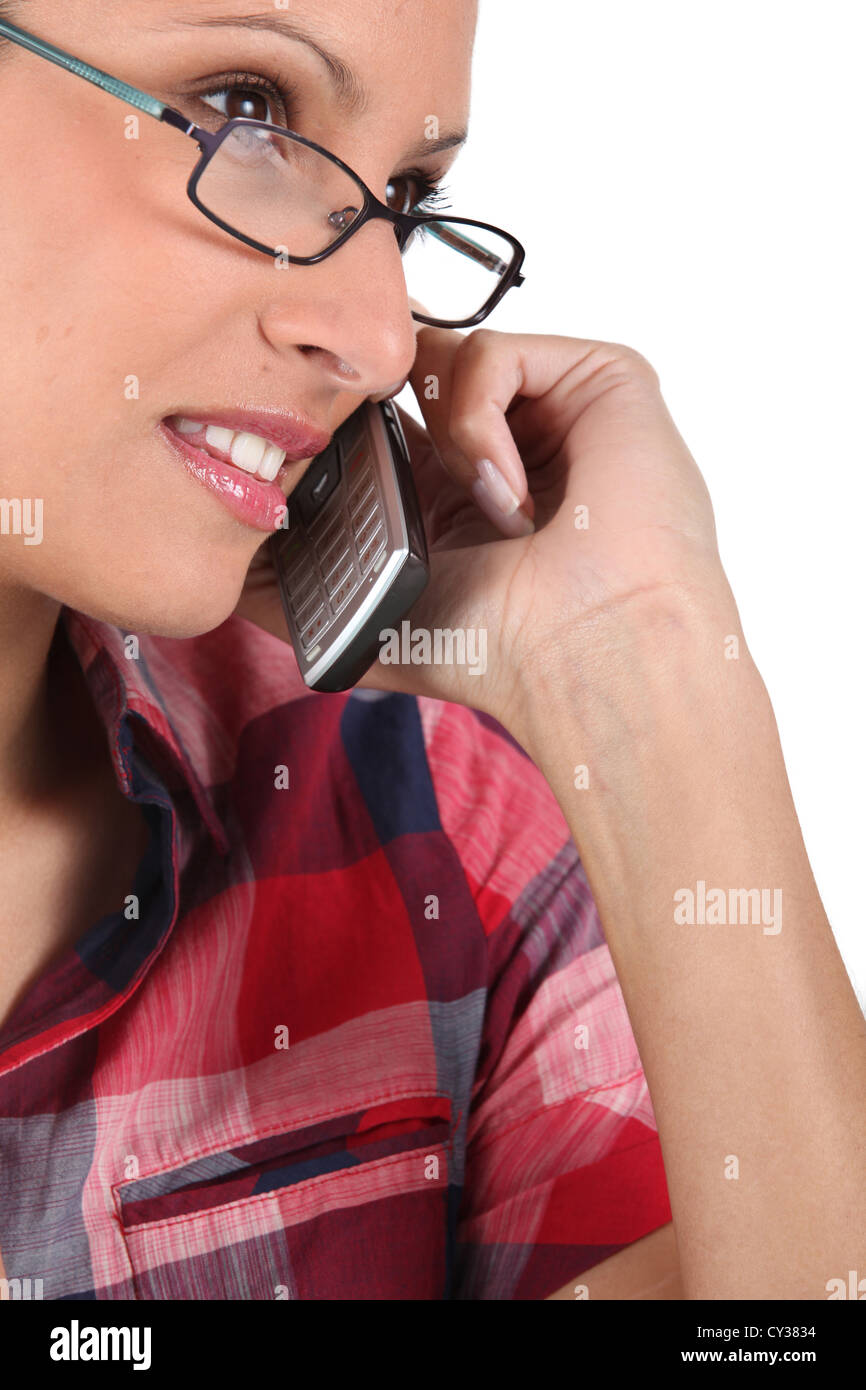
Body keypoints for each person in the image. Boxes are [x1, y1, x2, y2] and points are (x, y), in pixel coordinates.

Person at [0, 0, 862, 1303]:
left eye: (403, 197)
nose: (380, 338)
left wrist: (642, 666)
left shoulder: (432, 825)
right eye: (246, 111)